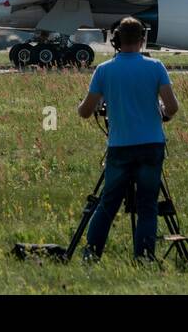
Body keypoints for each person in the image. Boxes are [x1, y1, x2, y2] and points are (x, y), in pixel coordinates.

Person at [76, 17, 179, 260]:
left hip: (120, 147)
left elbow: (85, 111)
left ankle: (91, 254)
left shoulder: (104, 70)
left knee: (108, 204)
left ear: (116, 41)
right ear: (143, 40)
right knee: (147, 205)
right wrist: (162, 113)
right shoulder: (156, 67)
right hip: (151, 145)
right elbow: (172, 107)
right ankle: (144, 256)